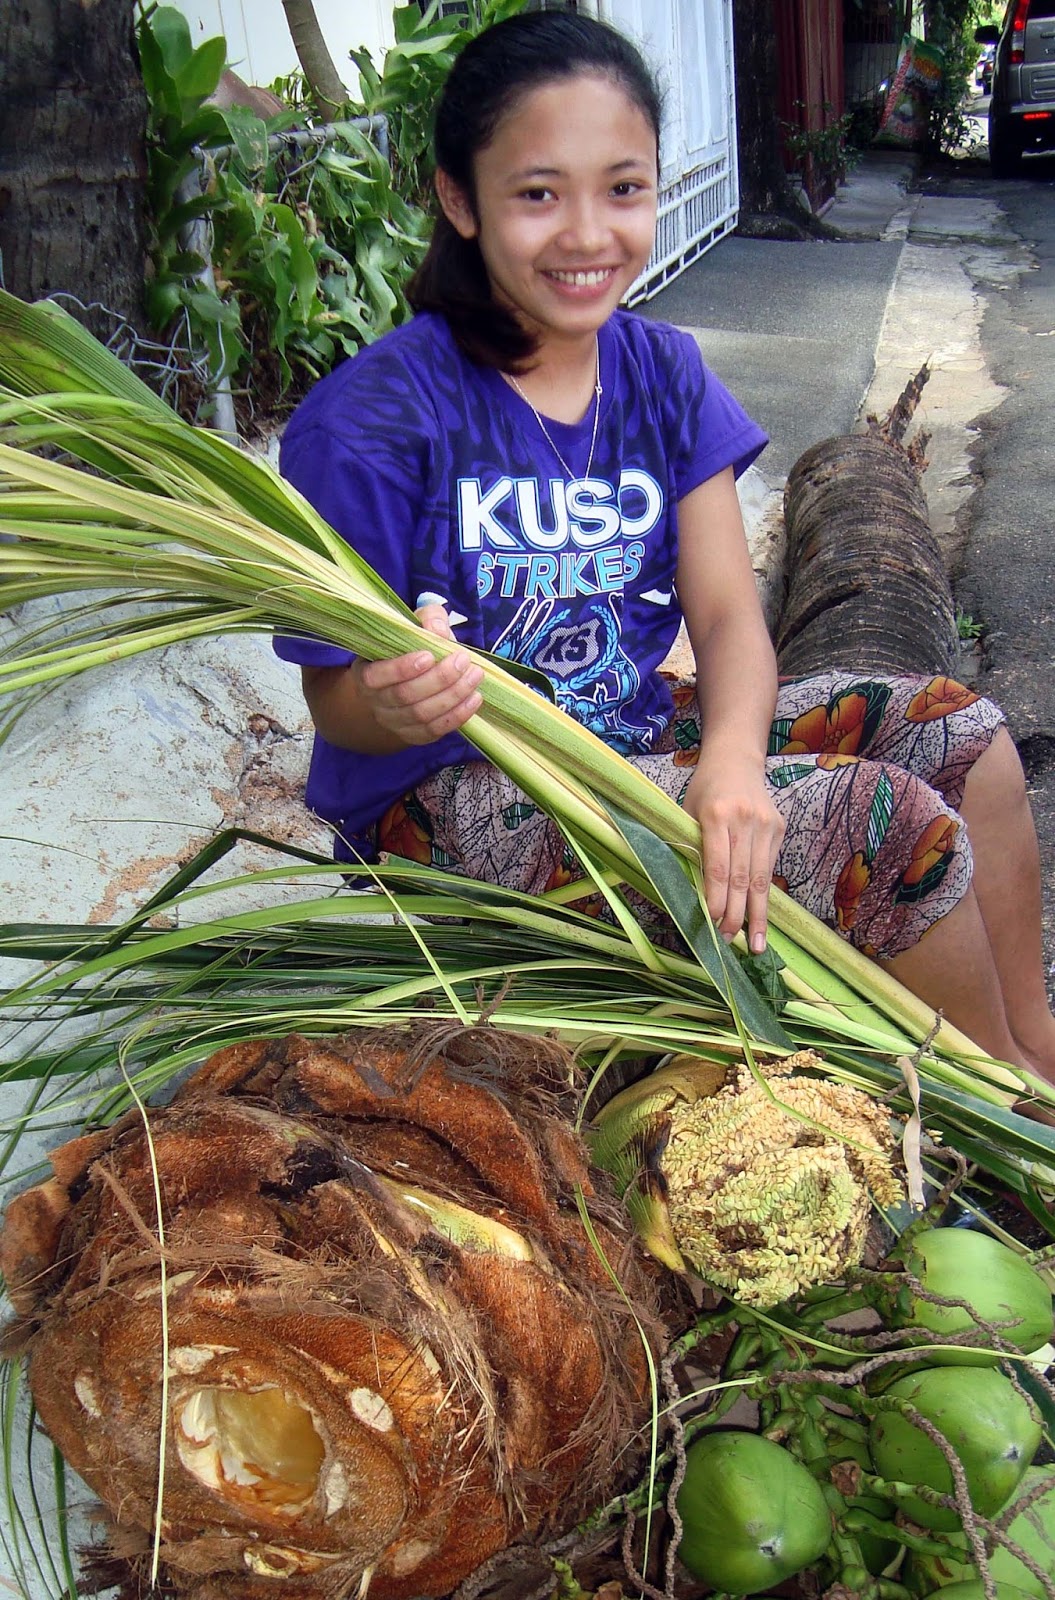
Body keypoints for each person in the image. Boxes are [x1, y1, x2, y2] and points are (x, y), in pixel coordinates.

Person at [274, 9, 1055, 1088]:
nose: (588, 232)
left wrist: (731, 761)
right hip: (453, 807)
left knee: (958, 732)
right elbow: (336, 705)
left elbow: (729, 617)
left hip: (630, 733)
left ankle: (1034, 1069)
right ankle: (993, 1121)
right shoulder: (367, 421)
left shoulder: (659, 373)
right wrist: (394, 698)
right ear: (459, 198)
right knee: (878, 825)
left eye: (623, 187)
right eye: (538, 192)